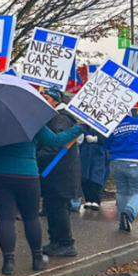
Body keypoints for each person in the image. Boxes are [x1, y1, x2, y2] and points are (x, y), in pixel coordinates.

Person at [0, 98, 86, 273]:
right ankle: (37, 258)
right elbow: (56, 140)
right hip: (27, 175)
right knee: (31, 218)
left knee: (6, 218)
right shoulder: (31, 122)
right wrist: (79, 128)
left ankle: (8, 263)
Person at [37, 87, 84, 257]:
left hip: (60, 171)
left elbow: (56, 145)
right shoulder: (54, 117)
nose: (43, 101)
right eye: (41, 97)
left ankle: (66, 243)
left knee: (59, 207)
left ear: (56, 101)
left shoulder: (60, 118)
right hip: (55, 171)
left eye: (47, 98)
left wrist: (36, 157)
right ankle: (56, 241)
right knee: (52, 206)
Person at [104, 109, 138, 232]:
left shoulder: (112, 125)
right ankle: (129, 212)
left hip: (117, 162)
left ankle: (123, 223)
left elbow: (107, 145)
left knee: (122, 192)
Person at [79, 127, 108, 210]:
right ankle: (88, 198)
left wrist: (97, 139)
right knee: (85, 174)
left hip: (99, 151)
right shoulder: (85, 124)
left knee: (97, 175)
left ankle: (96, 199)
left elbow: (109, 137)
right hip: (86, 150)